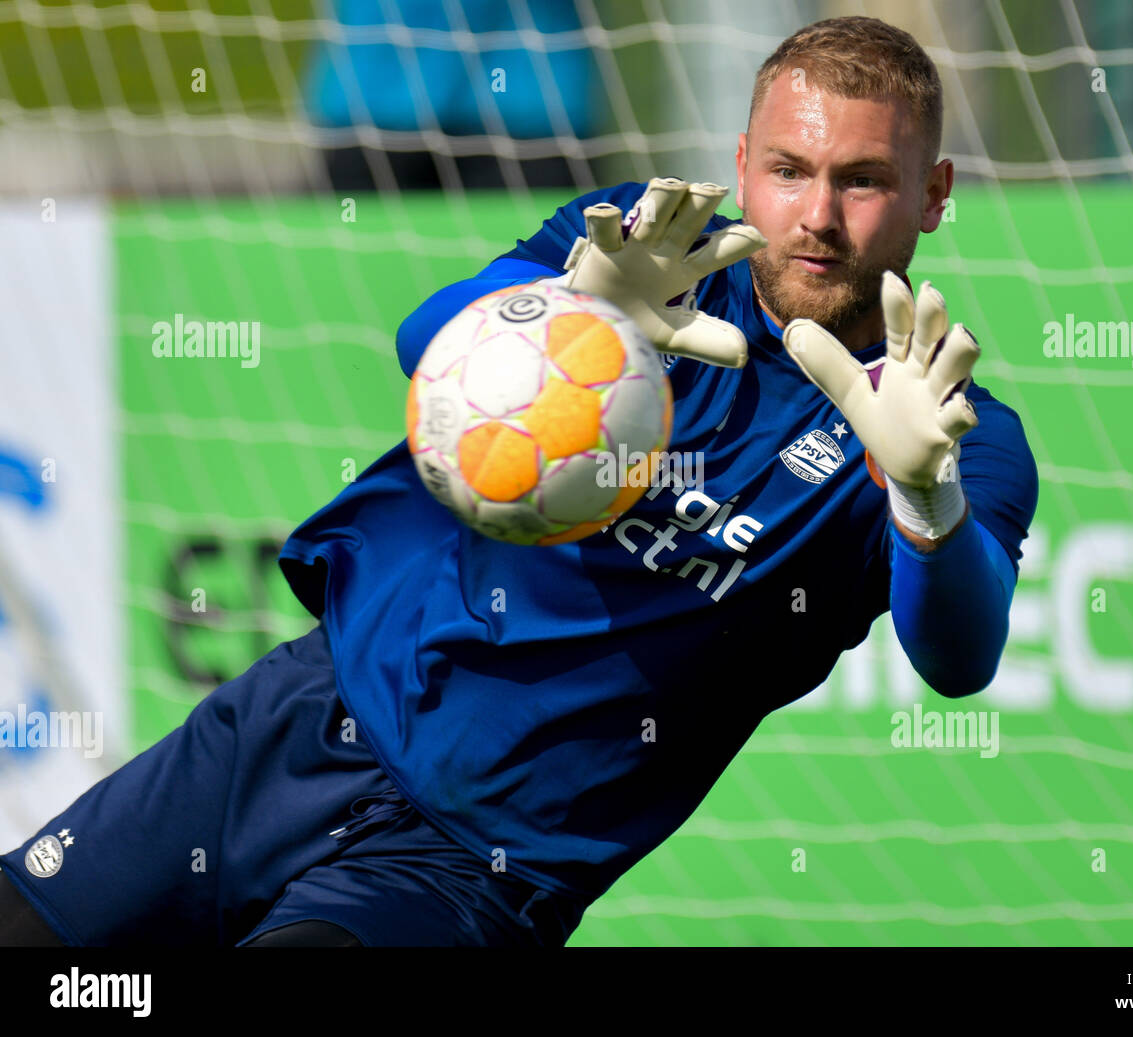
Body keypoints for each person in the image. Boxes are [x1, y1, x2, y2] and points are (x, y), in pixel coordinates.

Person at [0, 15, 1036, 947]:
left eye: (860, 179)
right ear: (740, 162)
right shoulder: (649, 247)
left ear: (933, 194)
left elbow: (959, 656)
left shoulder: (949, 429)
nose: (815, 213)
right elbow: (423, 343)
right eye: (787, 168)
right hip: (301, 719)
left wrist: (923, 496)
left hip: (470, 866)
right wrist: (573, 311)